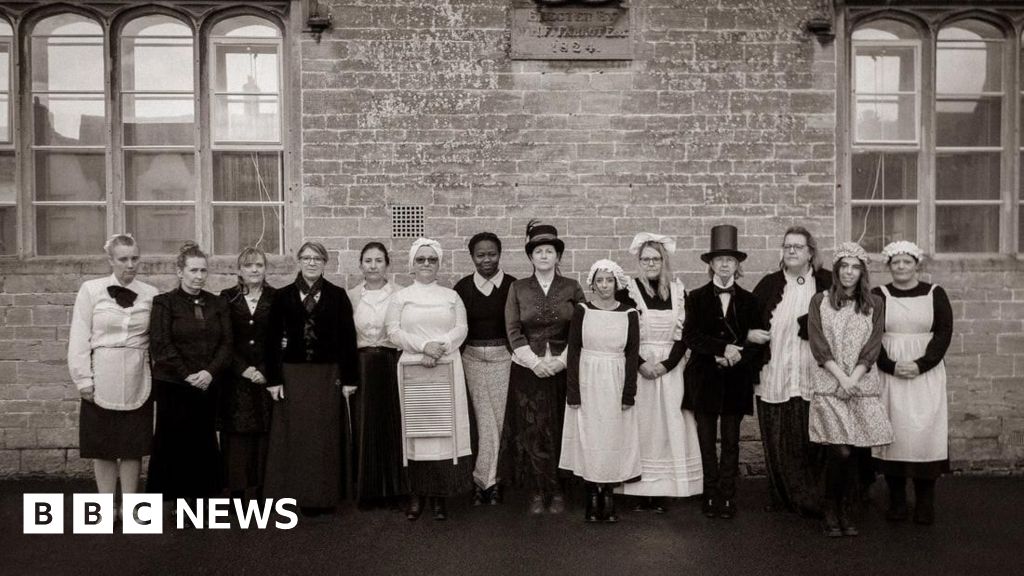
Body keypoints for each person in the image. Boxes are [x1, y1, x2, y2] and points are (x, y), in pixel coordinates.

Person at [263, 241, 359, 516]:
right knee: (295, 435)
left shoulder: (337, 295)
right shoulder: (282, 296)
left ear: (325, 262)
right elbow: (271, 340)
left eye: (317, 258)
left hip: (327, 375)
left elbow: (348, 339)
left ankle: (323, 496)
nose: (312, 262)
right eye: (307, 258)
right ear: (299, 261)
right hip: (293, 375)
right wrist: (273, 380)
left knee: (324, 436)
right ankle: (295, 495)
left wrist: (350, 378)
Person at [68, 233, 159, 520]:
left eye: (134, 258)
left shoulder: (150, 293)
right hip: (101, 373)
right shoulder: (91, 290)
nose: (130, 265)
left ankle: (131, 508)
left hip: (137, 374)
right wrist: (83, 379)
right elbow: (79, 335)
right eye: (123, 259)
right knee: (103, 445)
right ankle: (105, 508)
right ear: (110, 260)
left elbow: (157, 339)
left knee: (132, 446)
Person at [807, 242, 893, 537]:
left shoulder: (874, 303)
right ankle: (830, 506)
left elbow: (873, 346)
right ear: (836, 270)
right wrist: (841, 379)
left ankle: (846, 507)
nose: (849, 272)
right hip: (830, 383)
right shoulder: (820, 301)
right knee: (839, 451)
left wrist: (853, 379)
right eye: (844, 266)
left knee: (855, 450)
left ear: (862, 272)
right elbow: (818, 344)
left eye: (855, 267)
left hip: (860, 383)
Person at [500, 220, 585, 515]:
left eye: (550, 251)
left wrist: (561, 362)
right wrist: (535, 362)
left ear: (558, 256)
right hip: (528, 369)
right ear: (531, 256)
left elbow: (581, 329)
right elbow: (512, 330)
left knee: (560, 426)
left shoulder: (572, 287)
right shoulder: (518, 288)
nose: (544, 255)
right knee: (532, 429)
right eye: (538, 251)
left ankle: (558, 488)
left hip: (563, 368)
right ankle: (537, 489)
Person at [386, 238, 473, 521]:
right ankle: (416, 494)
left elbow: (461, 328)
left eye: (432, 259)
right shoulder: (401, 297)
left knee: (442, 432)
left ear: (439, 264)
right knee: (417, 432)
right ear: (412, 264)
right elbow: (393, 331)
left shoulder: (451, 296)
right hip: (413, 369)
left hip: (446, 366)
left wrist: (439, 348)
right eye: (421, 259)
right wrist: (424, 347)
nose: (426, 263)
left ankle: (439, 496)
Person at [749, 226, 832, 516]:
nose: (792, 251)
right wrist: (749, 334)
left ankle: (815, 499)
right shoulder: (769, 284)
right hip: (776, 375)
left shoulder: (827, 282)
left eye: (798, 246)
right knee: (779, 439)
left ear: (811, 252)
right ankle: (784, 498)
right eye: (787, 246)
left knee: (814, 440)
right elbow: (747, 320)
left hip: (814, 375)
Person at [617, 233, 703, 512]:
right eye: (645, 259)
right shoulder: (627, 292)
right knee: (642, 426)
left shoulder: (678, 292)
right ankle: (639, 489)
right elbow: (622, 333)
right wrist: (641, 363)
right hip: (639, 367)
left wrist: (667, 364)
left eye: (655, 259)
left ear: (664, 261)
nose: (651, 263)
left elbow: (686, 334)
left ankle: (666, 488)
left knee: (669, 426)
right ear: (639, 262)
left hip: (670, 368)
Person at [682, 224, 760, 520]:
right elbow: (691, 335)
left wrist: (737, 355)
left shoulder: (750, 300)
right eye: (719, 259)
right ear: (711, 264)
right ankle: (710, 493)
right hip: (705, 378)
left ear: (737, 265)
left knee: (730, 440)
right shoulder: (696, 297)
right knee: (705, 440)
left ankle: (727, 495)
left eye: (730, 259)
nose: (725, 264)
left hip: (735, 380)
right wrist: (721, 348)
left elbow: (757, 340)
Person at [871, 241, 952, 525]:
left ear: (917, 264)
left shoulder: (935, 293)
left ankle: (925, 503)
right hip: (890, 374)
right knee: (893, 434)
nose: (901, 267)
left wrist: (921, 364)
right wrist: (890, 365)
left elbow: (943, 333)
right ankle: (897, 502)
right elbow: (871, 335)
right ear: (889, 266)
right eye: (896, 262)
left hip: (925, 376)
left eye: (907, 262)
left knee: (924, 436)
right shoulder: (878, 295)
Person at [147, 242, 230, 507]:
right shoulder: (165, 303)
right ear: (180, 271)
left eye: (203, 270)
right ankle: (179, 501)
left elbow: (227, 343)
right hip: (174, 384)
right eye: (193, 270)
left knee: (203, 440)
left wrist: (209, 373)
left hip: (207, 384)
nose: (199, 276)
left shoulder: (217, 303)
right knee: (176, 441)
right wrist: (187, 375)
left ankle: (202, 498)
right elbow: (161, 344)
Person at [560, 259, 641, 523]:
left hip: (616, 379)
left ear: (617, 284)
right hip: (588, 379)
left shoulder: (629, 313)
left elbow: (632, 354)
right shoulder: (582, 310)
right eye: (599, 281)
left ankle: (608, 493)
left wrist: (629, 393)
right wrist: (573, 391)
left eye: (609, 280)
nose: (604, 285)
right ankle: (592, 493)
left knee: (612, 436)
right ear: (592, 284)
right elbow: (573, 351)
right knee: (591, 436)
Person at [453, 232, 517, 506]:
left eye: (492, 254)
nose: (486, 260)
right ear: (472, 257)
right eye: (480, 255)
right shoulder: (462, 288)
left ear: (499, 254)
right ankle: (485, 480)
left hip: (504, 357)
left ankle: (490, 481)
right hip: (472, 359)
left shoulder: (513, 286)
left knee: (500, 420)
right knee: (481, 420)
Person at [350, 242, 407, 509]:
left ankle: (395, 490)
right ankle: (368, 492)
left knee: (392, 424)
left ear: (387, 264)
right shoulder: (351, 296)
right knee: (365, 425)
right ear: (361, 264)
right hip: (362, 364)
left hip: (390, 361)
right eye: (368, 261)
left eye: (379, 260)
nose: (373, 266)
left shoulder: (400, 294)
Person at [218, 247, 276, 502]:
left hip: (265, 377)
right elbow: (223, 338)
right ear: (239, 270)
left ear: (265, 269)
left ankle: (263, 490)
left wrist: (264, 370)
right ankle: (237, 492)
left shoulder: (276, 297)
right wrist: (243, 369)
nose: (254, 270)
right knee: (237, 436)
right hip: (236, 378)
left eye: (259, 265)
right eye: (249, 265)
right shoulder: (227, 297)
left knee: (265, 434)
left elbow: (280, 337)